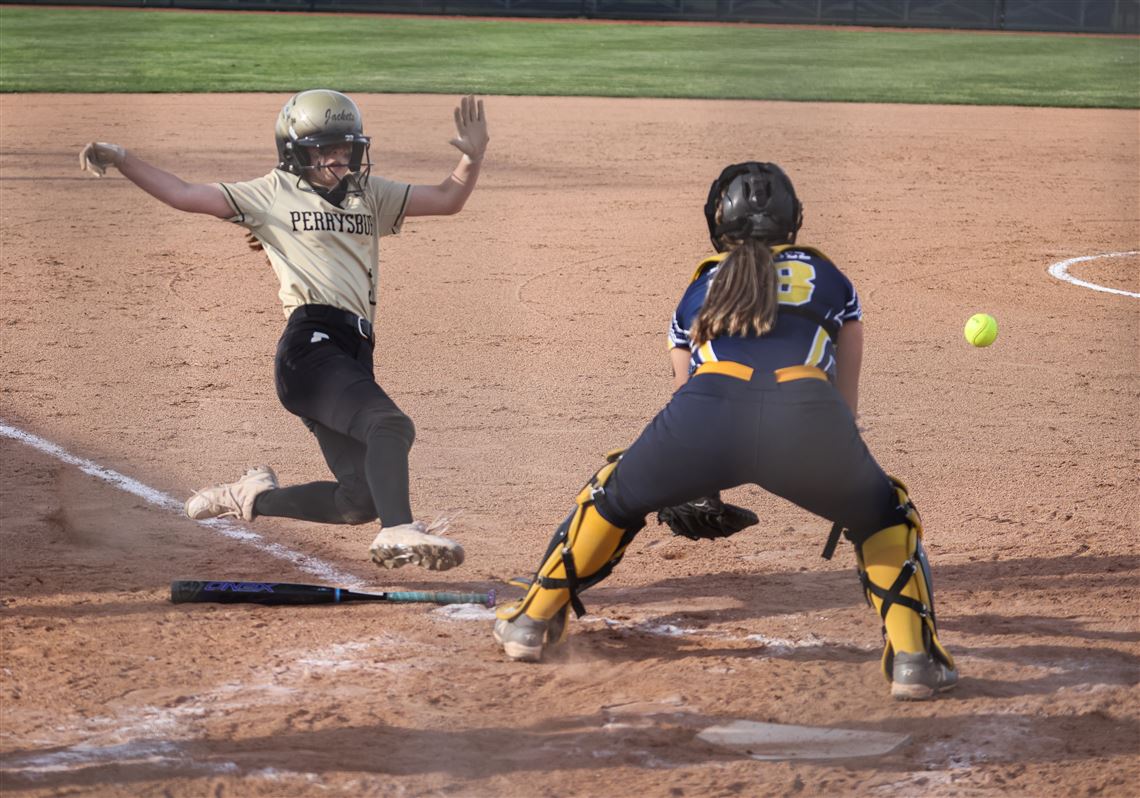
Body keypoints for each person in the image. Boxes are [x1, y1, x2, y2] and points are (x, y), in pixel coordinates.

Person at [492, 162, 959, 700]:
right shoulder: (831, 278)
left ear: (719, 223)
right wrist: (845, 471)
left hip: (705, 416)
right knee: (885, 515)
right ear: (794, 220)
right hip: (808, 420)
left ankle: (531, 621)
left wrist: (687, 480)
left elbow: (685, 391)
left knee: (613, 493)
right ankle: (914, 661)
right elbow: (844, 400)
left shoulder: (702, 283)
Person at [79, 91, 490, 572]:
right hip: (310, 349)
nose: (338, 158)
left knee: (358, 500)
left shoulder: (368, 193)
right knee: (390, 425)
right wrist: (123, 158)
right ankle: (398, 530)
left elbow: (447, 199)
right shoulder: (270, 194)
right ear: (297, 151)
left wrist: (471, 157)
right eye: (324, 149)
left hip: (354, 351)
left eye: (345, 147)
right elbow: (183, 194)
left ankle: (248, 498)